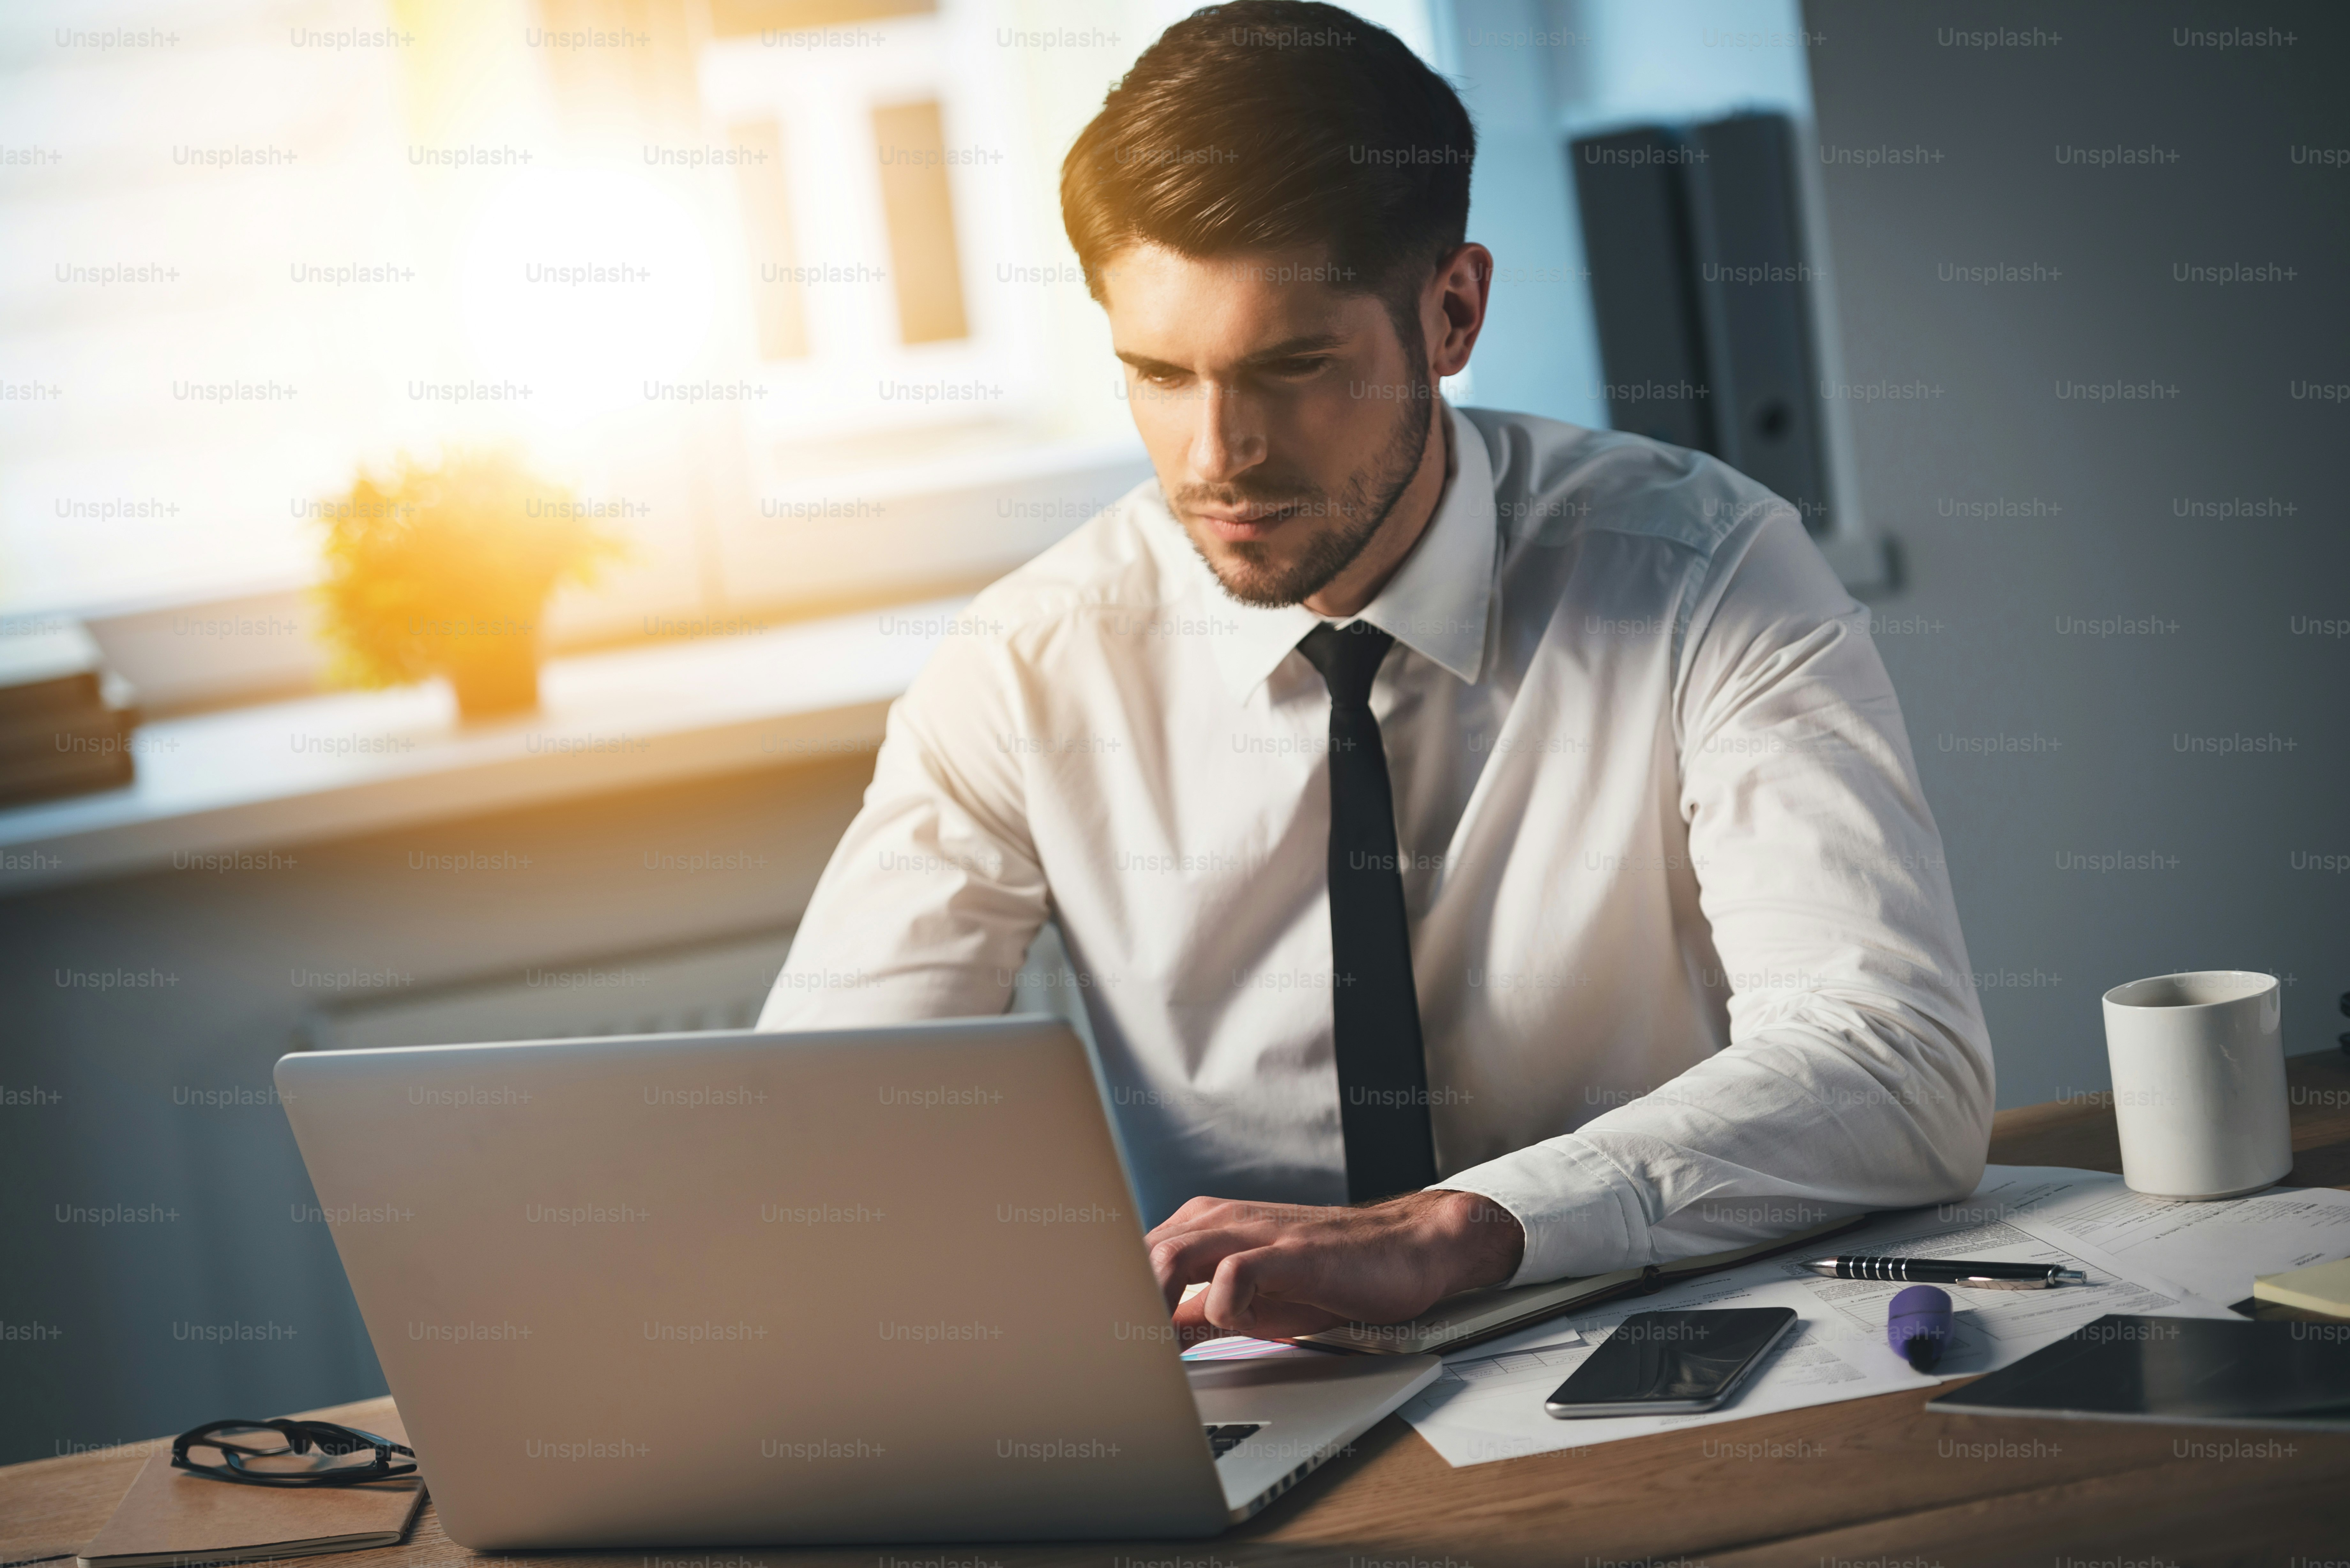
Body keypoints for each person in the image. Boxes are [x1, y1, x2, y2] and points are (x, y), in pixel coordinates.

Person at [759, 0, 1992, 1345]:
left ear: (1452, 311)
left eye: (1291, 367)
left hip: (1668, 1337)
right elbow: (821, 1122)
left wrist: (1459, 1225)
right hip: (1254, 1386)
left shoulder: (1707, 574)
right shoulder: (1026, 668)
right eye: (1157, 374)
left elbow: (1896, 1064)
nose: (1214, 456)